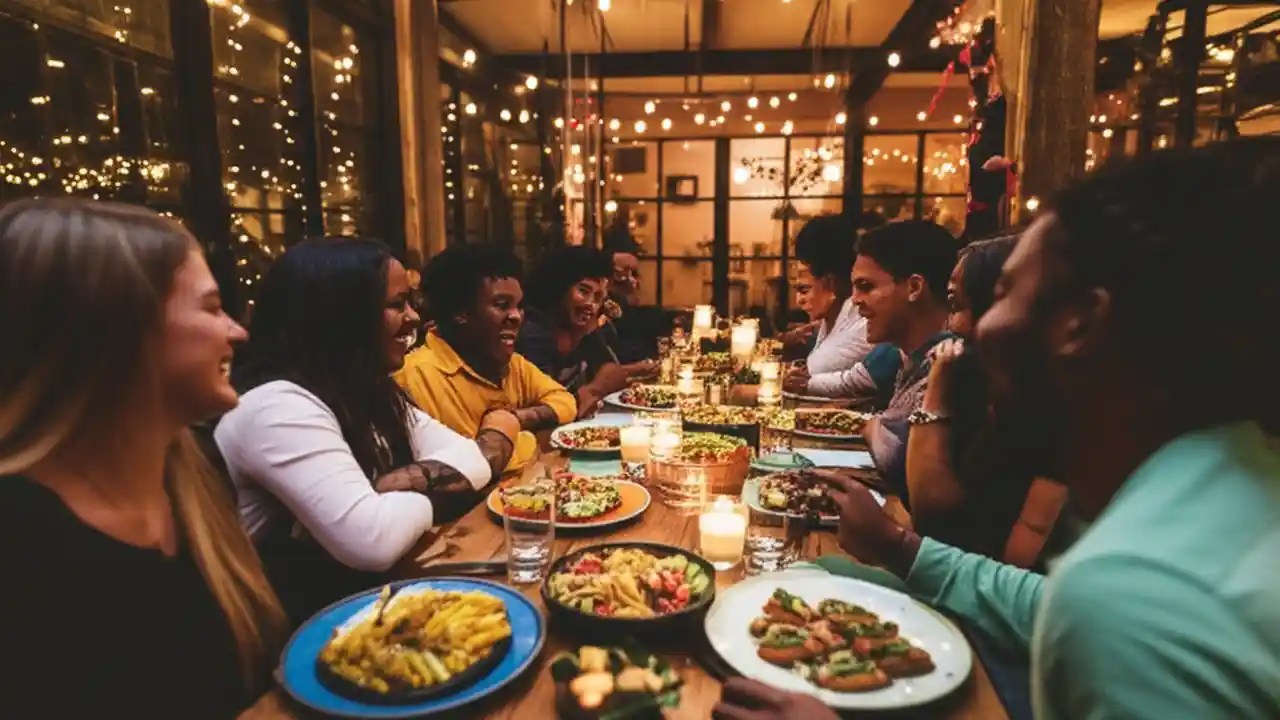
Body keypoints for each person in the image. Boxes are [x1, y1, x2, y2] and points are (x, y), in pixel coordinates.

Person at [716, 139, 1280, 720]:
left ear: (1080, 323)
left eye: (1004, 293)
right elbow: (1047, 603)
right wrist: (903, 549)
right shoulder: (1232, 474)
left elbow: (1096, 607)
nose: (968, 330)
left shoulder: (1127, 591)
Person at [0, 199, 288, 718]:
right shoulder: (18, 539)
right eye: (211, 307)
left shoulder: (193, 468)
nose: (238, 331)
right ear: (115, 332)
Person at [216, 238, 520, 621]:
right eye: (397, 305)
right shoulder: (277, 406)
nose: (413, 317)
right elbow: (371, 542)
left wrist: (390, 491)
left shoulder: (366, 387)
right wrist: (438, 494)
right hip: (283, 633)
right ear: (342, 314)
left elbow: (472, 459)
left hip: (357, 603)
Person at [906, 235, 1070, 565]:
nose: (949, 325)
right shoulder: (983, 389)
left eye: (956, 306)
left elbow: (934, 514)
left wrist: (936, 388)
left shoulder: (1058, 416)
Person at [395, 244, 577, 474]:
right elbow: (475, 467)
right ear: (460, 312)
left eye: (519, 306)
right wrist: (532, 440)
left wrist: (518, 417)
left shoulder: (510, 362)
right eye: (502, 305)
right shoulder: (417, 376)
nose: (516, 317)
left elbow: (565, 401)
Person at [849, 221, 959, 498]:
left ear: (914, 287)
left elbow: (896, 456)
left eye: (865, 286)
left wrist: (873, 426)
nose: (854, 300)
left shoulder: (948, 362)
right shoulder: (912, 357)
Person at [782, 214, 902, 407]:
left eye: (867, 286)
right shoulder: (837, 313)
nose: (857, 298)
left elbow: (864, 377)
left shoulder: (869, 323)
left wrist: (808, 382)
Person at [517, 245, 638, 416]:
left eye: (598, 297)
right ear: (558, 288)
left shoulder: (581, 329)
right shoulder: (534, 334)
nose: (591, 304)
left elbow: (612, 372)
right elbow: (546, 411)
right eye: (583, 291)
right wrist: (595, 389)